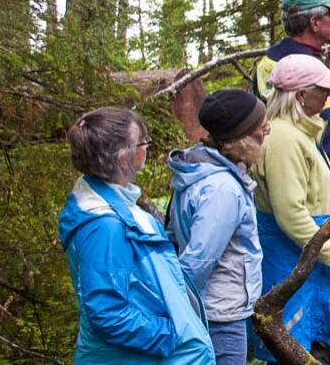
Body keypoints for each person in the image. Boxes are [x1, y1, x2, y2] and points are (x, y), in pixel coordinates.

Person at [58, 107, 214, 363]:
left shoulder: (110, 205)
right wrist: (172, 335)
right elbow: (107, 313)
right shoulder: (104, 226)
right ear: (122, 158)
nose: (147, 147)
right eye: (143, 142)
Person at [251, 54, 330, 363]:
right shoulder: (283, 140)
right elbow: (290, 215)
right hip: (296, 261)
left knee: (324, 347)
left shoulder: (299, 133)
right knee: (302, 348)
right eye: (322, 89)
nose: (329, 95)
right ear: (301, 94)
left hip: (312, 256)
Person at [166, 90, 268, 365]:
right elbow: (199, 259)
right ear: (242, 136)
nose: (266, 130)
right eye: (260, 126)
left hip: (213, 309)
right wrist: (182, 312)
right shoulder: (222, 190)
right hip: (218, 315)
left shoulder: (202, 171)